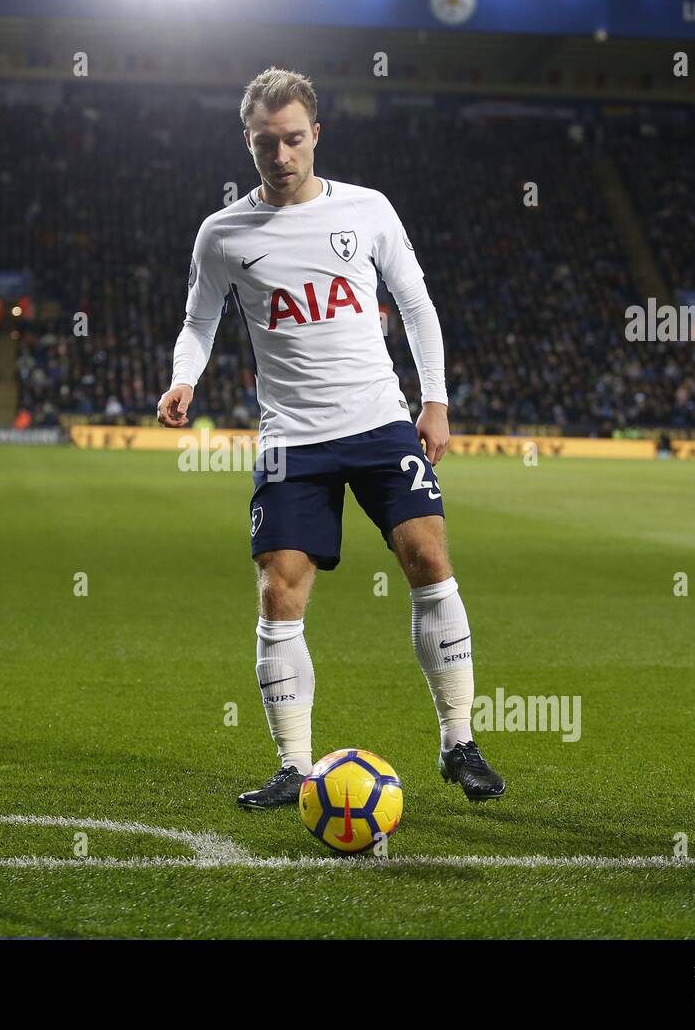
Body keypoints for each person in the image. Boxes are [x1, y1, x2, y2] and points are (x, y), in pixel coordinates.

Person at [156, 68, 505, 808]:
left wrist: (435, 401)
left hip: (380, 420)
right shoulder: (222, 234)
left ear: (315, 134)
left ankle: (459, 742)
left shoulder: (369, 210)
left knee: (430, 558)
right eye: (264, 143)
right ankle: (293, 764)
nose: (279, 155)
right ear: (245, 142)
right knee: (278, 591)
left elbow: (416, 304)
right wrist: (184, 376)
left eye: (291, 139)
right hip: (293, 436)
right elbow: (199, 321)